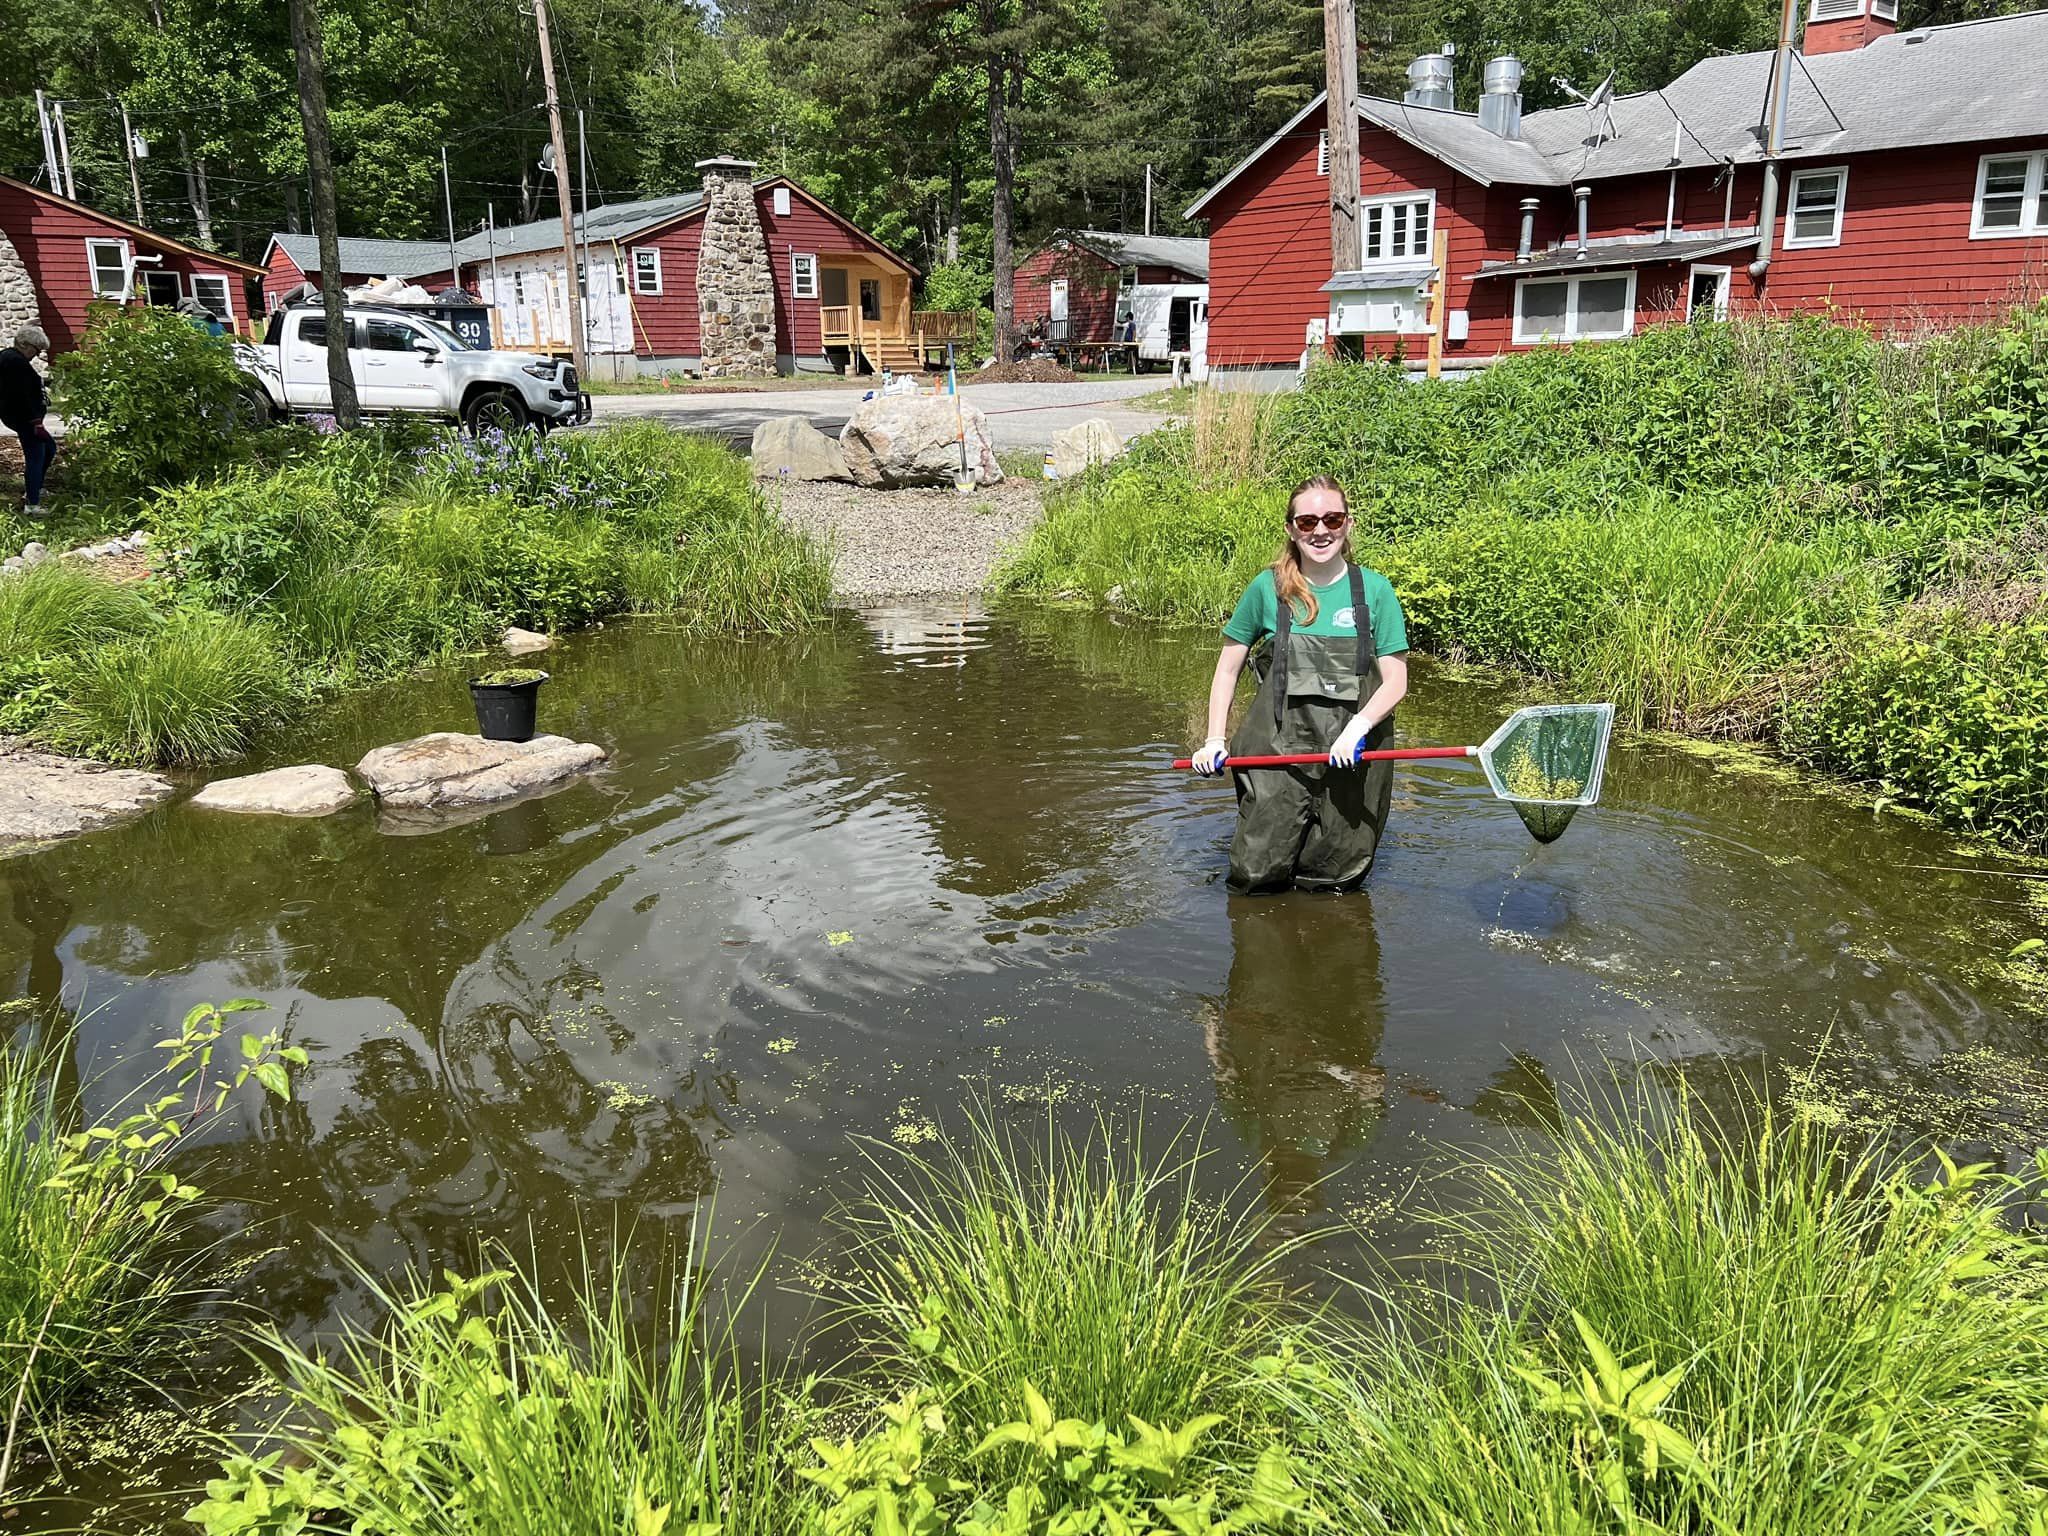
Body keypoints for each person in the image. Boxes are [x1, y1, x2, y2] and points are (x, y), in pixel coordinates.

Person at [1192, 474, 1409, 893]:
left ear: (1348, 525)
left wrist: (1358, 728)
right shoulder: (1267, 588)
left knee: (1336, 880)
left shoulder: (1375, 591)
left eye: (1332, 519)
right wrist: (1214, 739)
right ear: (1291, 530)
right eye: (1308, 522)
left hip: (1353, 758)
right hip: (1277, 754)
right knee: (1255, 875)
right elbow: (1227, 669)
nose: (1321, 531)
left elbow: (1395, 682)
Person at [0, 326, 54, 516]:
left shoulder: (11, 358)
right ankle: (32, 504)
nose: (36, 355)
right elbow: (21, 395)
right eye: (36, 349)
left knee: (49, 447)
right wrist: (35, 421)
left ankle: (36, 488)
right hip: (25, 418)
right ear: (24, 344)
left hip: (22, 417)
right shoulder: (15, 362)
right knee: (36, 456)